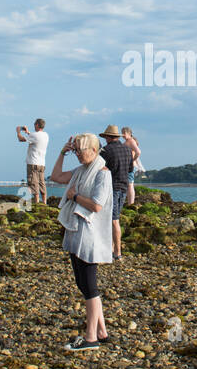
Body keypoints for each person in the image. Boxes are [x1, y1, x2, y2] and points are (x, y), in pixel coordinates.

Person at [49, 133, 114, 351]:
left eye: (80, 151)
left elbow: (97, 205)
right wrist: (62, 152)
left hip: (90, 235)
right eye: (76, 151)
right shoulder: (80, 170)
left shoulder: (102, 174)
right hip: (76, 232)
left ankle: (90, 338)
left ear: (94, 150)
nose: (78, 155)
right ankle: (102, 332)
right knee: (83, 284)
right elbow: (55, 176)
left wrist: (74, 197)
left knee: (89, 286)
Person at [99, 124, 133, 261]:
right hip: (123, 186)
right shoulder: (127, 149)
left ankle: (117, 252)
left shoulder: (105, 151)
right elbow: (130, 169)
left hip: (111, 187)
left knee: (113, 220)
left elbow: (100, 169)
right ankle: (113, 248)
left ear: (107, 137)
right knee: (115, 218)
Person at [17, 119, 50, 204]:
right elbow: (34, 136)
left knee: (33, 184)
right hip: (42, 164)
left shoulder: (35, 135)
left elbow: (21, 139)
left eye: (35, 124)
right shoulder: (46, 135)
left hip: (32, 163)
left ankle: (36, 203)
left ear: (37, 125)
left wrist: (18, 132)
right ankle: (45, 203)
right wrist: (27, 132)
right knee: (42, 183)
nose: (34, 125)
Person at [122, 127, 143, 205]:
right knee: (127, 184)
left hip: (131, 166)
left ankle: (131, 203)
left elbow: (138, 152)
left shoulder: (131, 141)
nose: (122, 135)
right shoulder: (126, 142)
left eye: (124, 133)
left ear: (129, 133)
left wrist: (133, 160)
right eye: (122, 133)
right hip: (125, 166)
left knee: (130, 184)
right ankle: (128, 202)